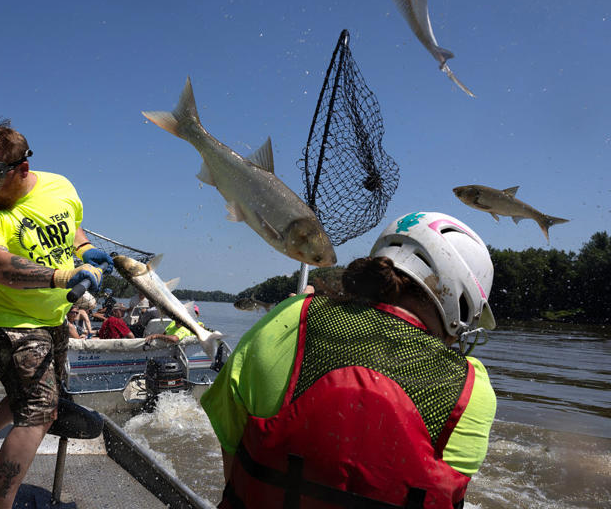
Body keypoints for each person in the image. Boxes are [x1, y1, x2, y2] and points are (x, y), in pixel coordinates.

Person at [201, 212, 498, 509]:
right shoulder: (473, 389)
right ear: (461, 300)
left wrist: (293, 311)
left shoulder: (293, 318)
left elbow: (233, 455)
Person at [0, 120, 113, 509]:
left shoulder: (59, 185)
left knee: (36, 390)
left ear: (22, 169)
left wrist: (86, 250)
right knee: (40, 410)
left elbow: (71, 226)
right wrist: (64, 276)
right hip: (9, 321)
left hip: (51, 316)